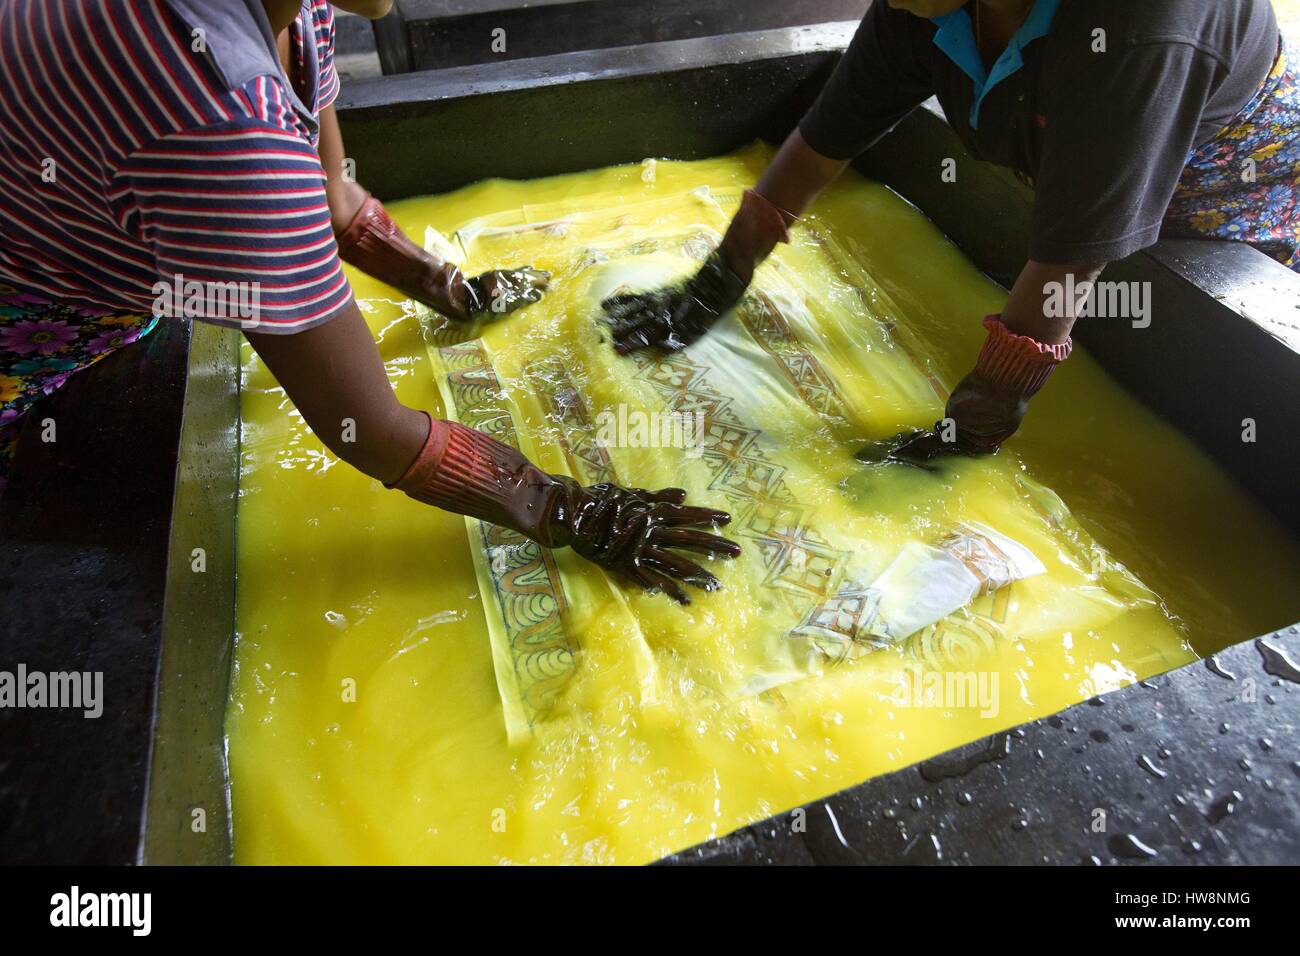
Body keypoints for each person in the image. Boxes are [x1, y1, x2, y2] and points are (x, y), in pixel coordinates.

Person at [0, 0, 740, 603]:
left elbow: (334, 193)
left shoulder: (293, 12)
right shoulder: (224, 124)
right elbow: (369, 427)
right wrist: (569, 510)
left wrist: (450, 288)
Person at [603, 0, 1298, 463]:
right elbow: (824, 140)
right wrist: (721, 275)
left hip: (1226, 205)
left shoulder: (1137, 27)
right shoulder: (928, 5)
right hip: (1076, 177)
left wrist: (972, 428)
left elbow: (1063, 275)